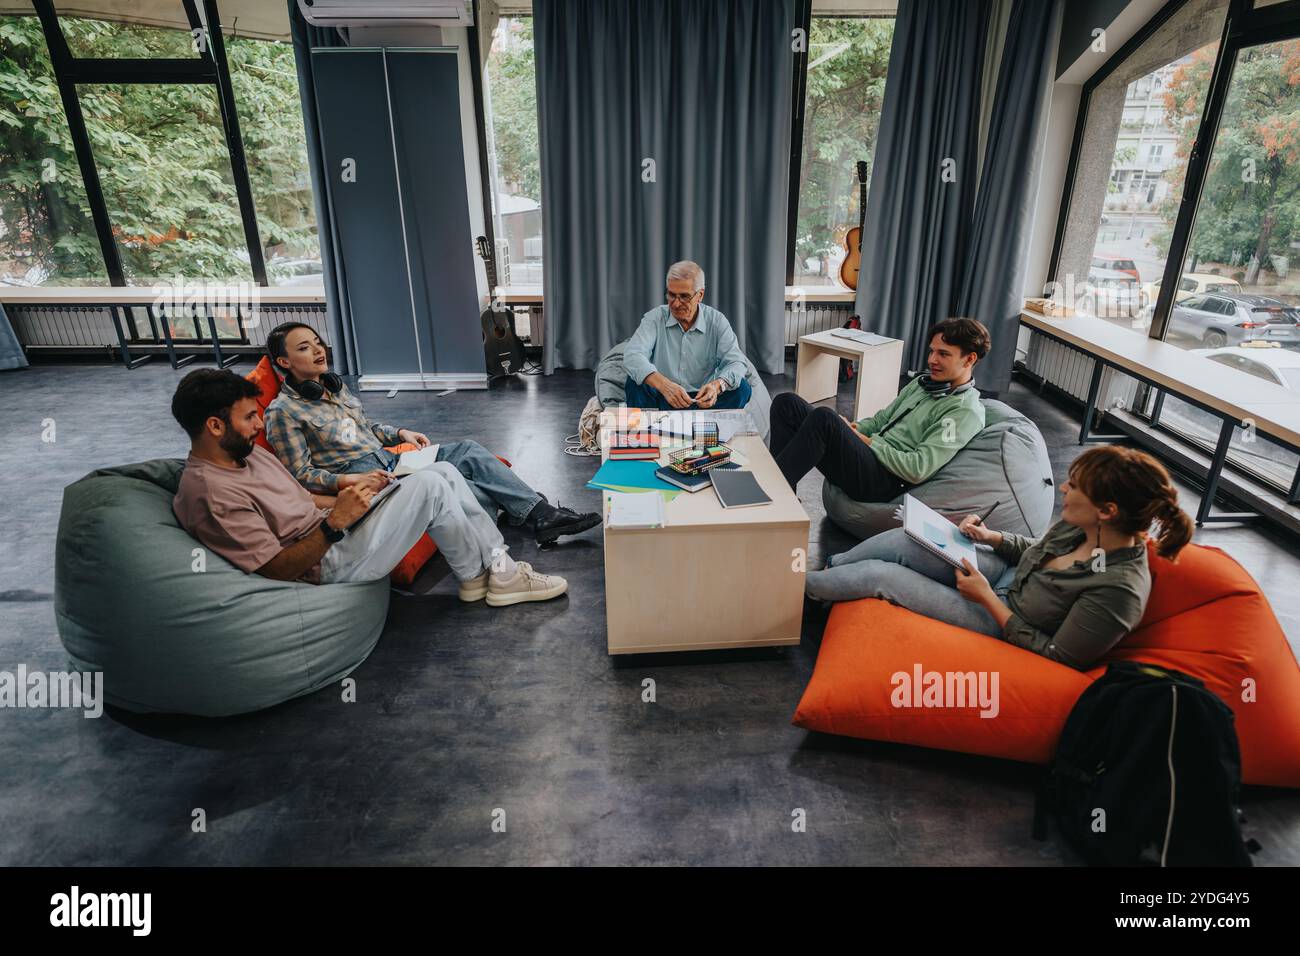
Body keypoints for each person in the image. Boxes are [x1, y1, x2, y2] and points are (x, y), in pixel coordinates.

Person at [170, 369, 568, 606]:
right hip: (322, 564)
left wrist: (356, 501)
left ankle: (482, 577)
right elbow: (275, 569)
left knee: (444, 471)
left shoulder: (246, 454)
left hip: (335, 529)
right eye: (248, 418)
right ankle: (502, 573)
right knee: (430, 483)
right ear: (215, 426)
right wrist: (333, 523)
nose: (259, 427)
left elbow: (303, 499)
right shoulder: (210, 495)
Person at [804, 445, 1194, 670]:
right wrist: (991, 536)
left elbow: (1058, 656)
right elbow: (1035, 551)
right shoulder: (1084, 525)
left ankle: (797, 591)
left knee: (883, 577)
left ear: (1107, 510)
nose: (1062, 488)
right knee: (910, 541)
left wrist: (986, 599)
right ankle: (831, 574)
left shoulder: (1119, 590)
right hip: (1006, 576)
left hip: (1005, 619)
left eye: (1074, 486)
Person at [261, 322, 600, 546]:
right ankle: (531, 515)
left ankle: (538, 515)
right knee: (463, 483)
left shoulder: (333, 388)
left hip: (389, 460)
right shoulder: (283, 412)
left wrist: (400, 433)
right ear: (284, 362)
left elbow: (367, 430)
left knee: (466, 450)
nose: (319, 350)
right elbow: (301, 477)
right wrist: (346, 483)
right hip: (366, 476)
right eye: (304, 347)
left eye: (318, 342)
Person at [770, 317, 991, 499]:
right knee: (786, 403)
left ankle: (769, 494)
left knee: (824, 418)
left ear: (969, 359)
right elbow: (882, 419)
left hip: (887, 480)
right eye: (931, 351)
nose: (932, 359)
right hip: (869, 457)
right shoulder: (923, 383)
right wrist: (854, 427)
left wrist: (864, 440)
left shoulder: (963, 411)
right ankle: (784, 496)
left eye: (943, 354)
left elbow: (918, 468)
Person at [622, 260, 753, 411]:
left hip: (703, 402)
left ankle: (700, 424)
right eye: (671, 295)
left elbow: (737, 362)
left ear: (700, 295)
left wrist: (716, 387)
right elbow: (632, 355)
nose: (676, 304)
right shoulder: (655, 318)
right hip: (662, 398)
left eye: (684, 296)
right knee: (633, 381)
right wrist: (664, 385)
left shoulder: (717, 322)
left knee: (742, 388)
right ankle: (652, 429)